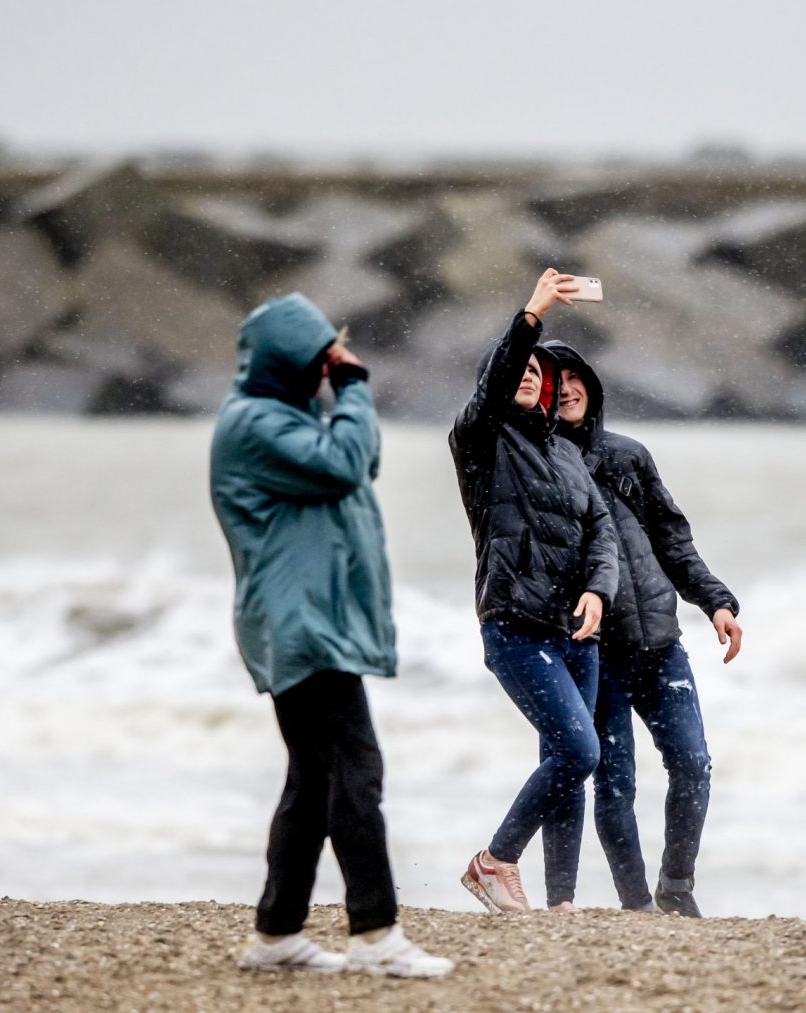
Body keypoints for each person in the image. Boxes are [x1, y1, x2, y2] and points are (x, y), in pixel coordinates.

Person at [210, 292, 452, 977]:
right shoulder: (255, 423)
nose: (333, 369)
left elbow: (356, 458)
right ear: (294, 361)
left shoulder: (286, 416)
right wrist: (352, 387)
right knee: (356, 767)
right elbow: (349, 461)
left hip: (309, 619)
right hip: (300, 623)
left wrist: (341, 395)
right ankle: (376, 934)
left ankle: (277, 932)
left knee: (314, 779)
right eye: (322, 358)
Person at [540, 338, 744, 918]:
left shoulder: (628, 456)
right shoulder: (539, 467)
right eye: (555, 379)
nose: (569, 387)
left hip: (660, 643)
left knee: (694, 762)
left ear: (592, 386)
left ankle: (676, 888)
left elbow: (674, 542)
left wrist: (716, 602)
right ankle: (637, 906)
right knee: (616, 782)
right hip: (592, 652)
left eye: (576, 376)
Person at [449, 270, 620, 914]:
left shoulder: (569, 455)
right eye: (520, 368)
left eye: (537, 373)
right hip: (515, 623)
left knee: (568, 765)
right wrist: (532, 313)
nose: (528, 375)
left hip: (578, 629)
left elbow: (601, 532)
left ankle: (562, 902)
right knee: (580, 748)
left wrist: (599, 592)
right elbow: (499, 379)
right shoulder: (481, 438)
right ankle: (493, 863)